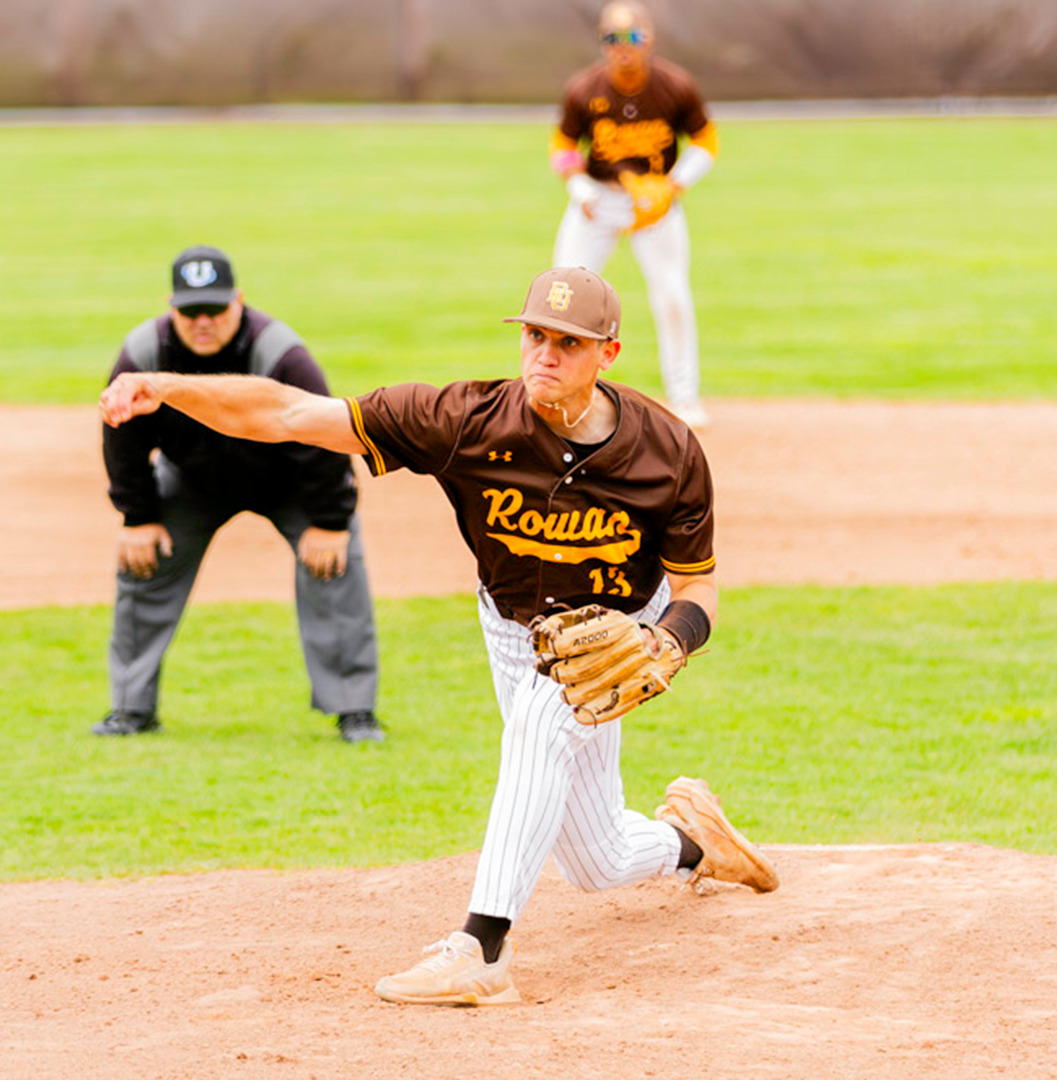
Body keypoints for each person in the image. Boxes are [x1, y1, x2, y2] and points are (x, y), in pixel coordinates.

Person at [100, 266, 779, 1005]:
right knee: (596, 859)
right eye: (535, 336)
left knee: (536, 728)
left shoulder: (667, 452)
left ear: (608, 353)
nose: (545, 356)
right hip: (513, 628)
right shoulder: (465, 420)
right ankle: (692, 843)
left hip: (620, 630)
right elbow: (291, 414)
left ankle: (479, 951)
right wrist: (166, 387)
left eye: (569, 344)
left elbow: (697, 587)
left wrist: (667, 642)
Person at [97, 245, 384, 744]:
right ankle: (131, 708)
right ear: (171, 307)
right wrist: (137, 517)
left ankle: (354, 709)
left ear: (239, 302)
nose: (201, 321)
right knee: (143, 563)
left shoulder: (279, 352)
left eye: (213, 308)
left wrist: (331, 522)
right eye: (189, 310)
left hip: (290, 481)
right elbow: (121, 438)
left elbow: (324, 437)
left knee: (334, 566)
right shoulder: (143, 351)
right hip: (191, 481)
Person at [549, 1, 719, 428]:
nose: (623, 47)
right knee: (562, 297)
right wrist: (578, 184)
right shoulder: (585, 89)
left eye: (632, 37)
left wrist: (674, 185)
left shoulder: (674, 86)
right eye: (612, 38)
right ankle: (554, 396)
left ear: (650, 38)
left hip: (655, 201)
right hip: (598, 203)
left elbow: (706, 141)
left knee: (673, 296)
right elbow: (563, 145)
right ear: (602, 43)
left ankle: (684, 398)